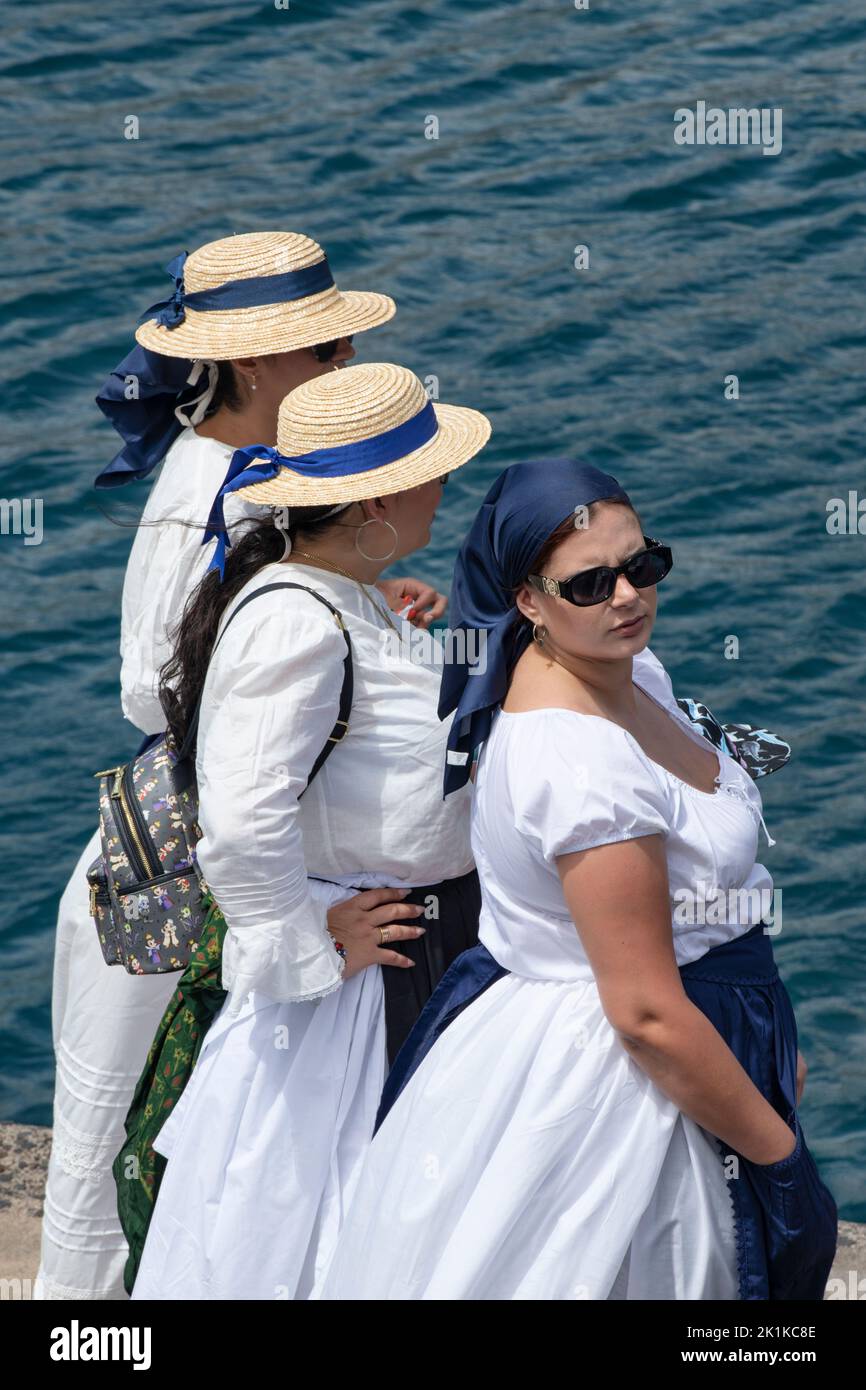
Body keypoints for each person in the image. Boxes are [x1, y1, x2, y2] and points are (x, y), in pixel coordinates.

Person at [319, 460, 838, 1302]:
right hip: (625, 1095)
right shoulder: (581, 765)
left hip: (699, 1035)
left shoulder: (628, 672)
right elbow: (643, 1012)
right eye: (591, 583)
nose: (627, 596)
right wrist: (781, 1165)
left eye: (643, 565)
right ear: (528, 601)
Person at [37, 232, 443, 1301]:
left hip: (217, 846)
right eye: (329, 348)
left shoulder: (265, 473)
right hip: (185, 854)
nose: (347, 361)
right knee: (118, 1123)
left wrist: (360, 604)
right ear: (257, 364)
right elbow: (149, 683)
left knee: (198, 1128)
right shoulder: (204, 492)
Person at [123, 361, 491, 1299]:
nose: (447, 489)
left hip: (408, 958)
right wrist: (308, 945)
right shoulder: (295, 622)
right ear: (382, 496)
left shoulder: (340, 593)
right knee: (328, 1230)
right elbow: (243, 826)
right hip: (359, 991)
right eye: (433, 473)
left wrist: (392, 615)